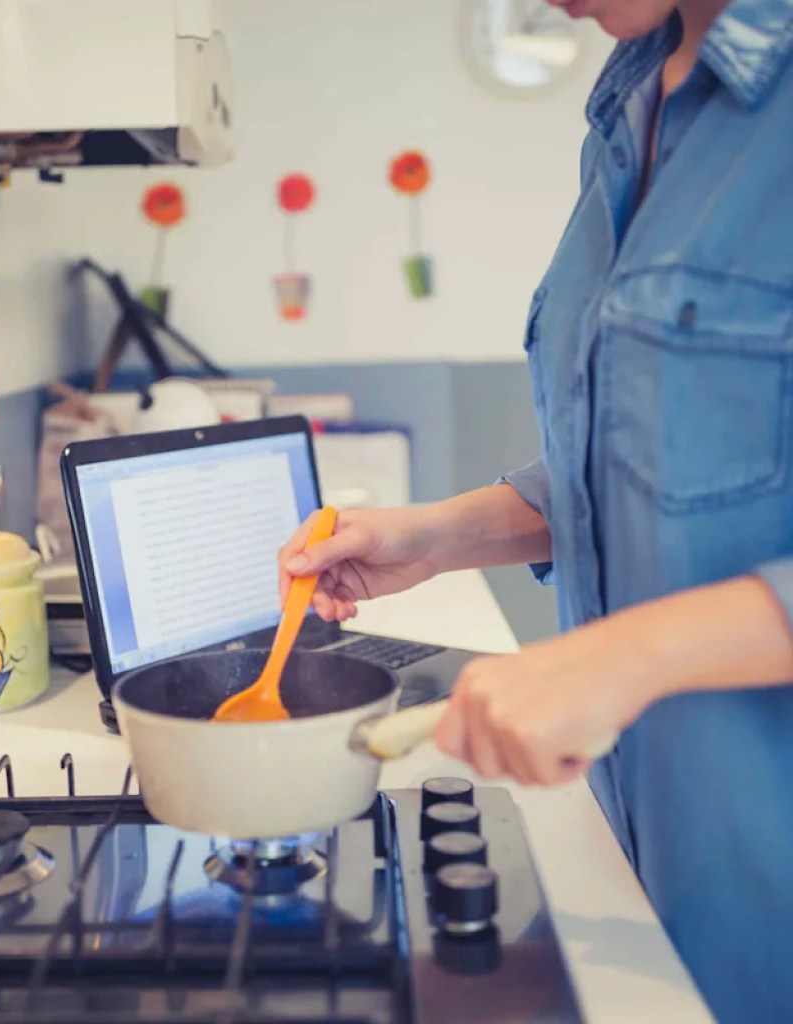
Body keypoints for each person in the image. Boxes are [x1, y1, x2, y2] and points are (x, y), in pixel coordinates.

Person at [279, 1, 793, 1021]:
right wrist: (439, 535)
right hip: (655, 860)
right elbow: (661, 452)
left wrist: (621, 658)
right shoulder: (627, 108)